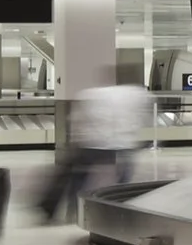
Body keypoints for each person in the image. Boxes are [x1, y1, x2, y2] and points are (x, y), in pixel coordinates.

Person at [43, 64, 154, 224]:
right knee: (123, 178)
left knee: (79, 178)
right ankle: (118, 208)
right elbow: (142, 119)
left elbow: (78, 121)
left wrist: (75, 141)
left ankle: (74, 209)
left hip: (93, 144)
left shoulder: (91, 95)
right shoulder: (138, 95)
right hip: (123, 145)